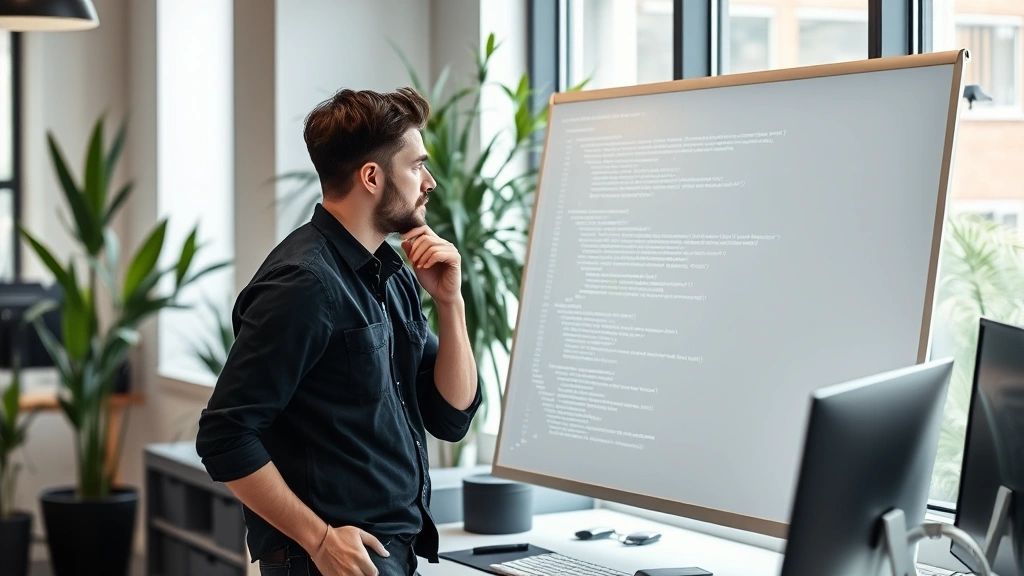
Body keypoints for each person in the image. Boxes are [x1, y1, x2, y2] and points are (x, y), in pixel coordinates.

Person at [195, 87, 481, 576]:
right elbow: (225, 434)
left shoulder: (391, 277)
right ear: (372, 176)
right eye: (416, 166)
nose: (429, 182)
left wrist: (450, 303)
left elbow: (450, 416)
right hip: (326, 562)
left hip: (390, 554)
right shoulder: (303, 284)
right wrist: (322, 539)